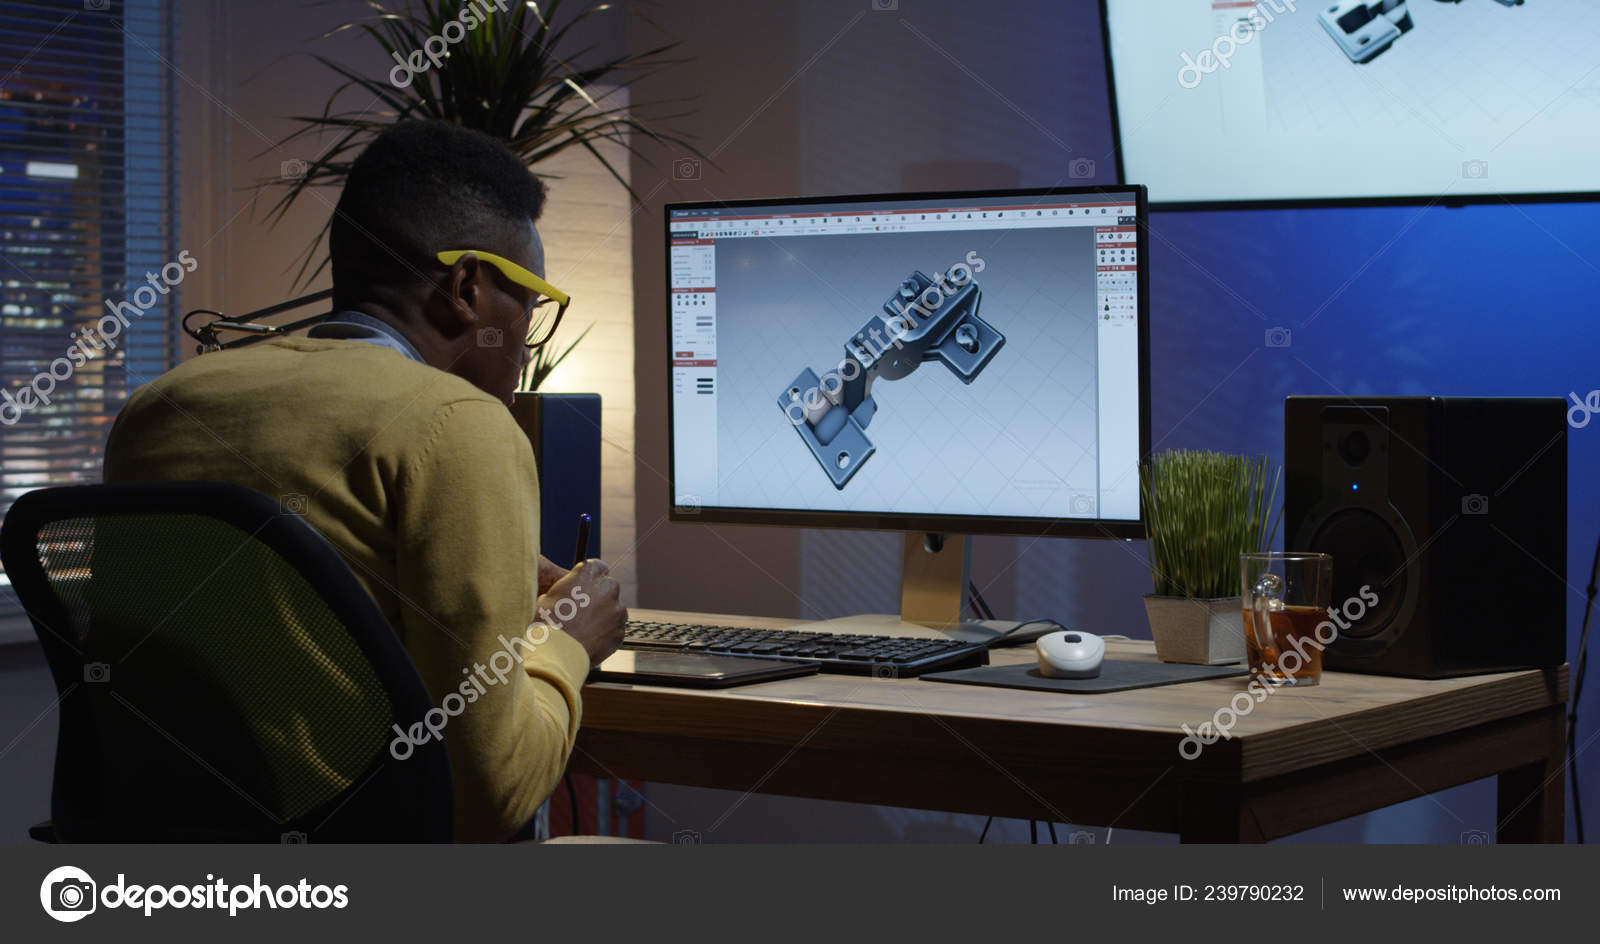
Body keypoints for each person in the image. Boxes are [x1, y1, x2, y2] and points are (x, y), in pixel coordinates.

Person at [103, 120, 626, 842]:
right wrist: (570, 636)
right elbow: (486, 797)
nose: (524, 345)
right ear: (468, 286)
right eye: (529, 308)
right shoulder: (459, 423)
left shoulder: (156, 410)